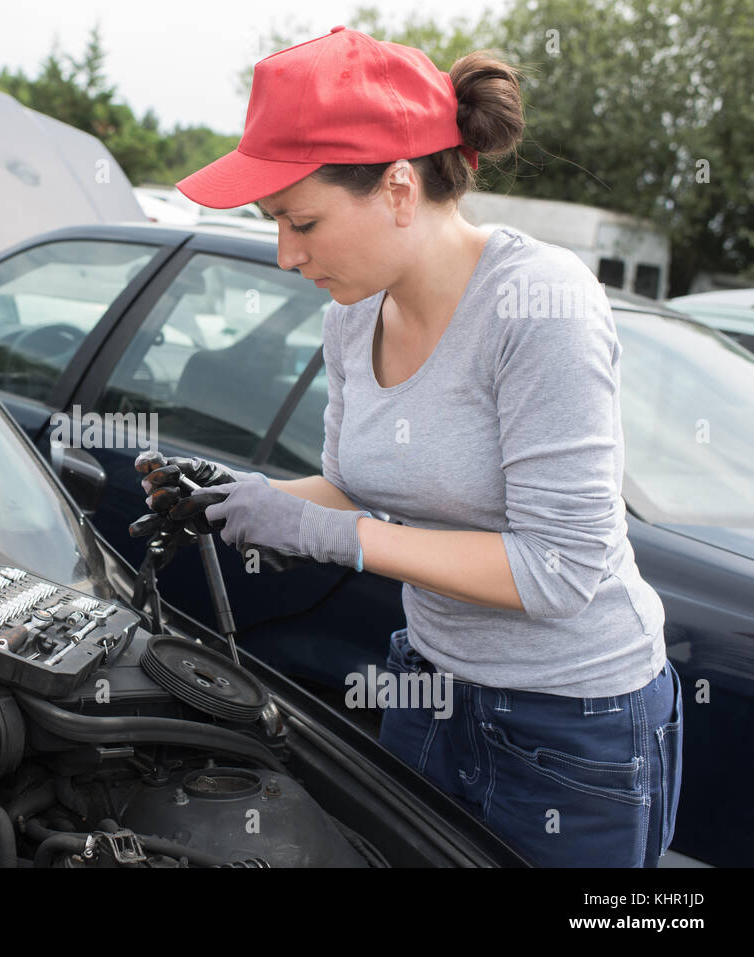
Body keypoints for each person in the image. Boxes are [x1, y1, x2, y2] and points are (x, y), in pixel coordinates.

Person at [131, 26, 682, 867]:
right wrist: (247, 497)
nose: (286, 254)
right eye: (275, 224)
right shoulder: (352, 312)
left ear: (397, 187)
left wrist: (332, 538)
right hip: (427, 682)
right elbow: (360, 488)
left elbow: (560, 571)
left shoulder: (538, 305)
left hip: (573, 727)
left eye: (301, 220)